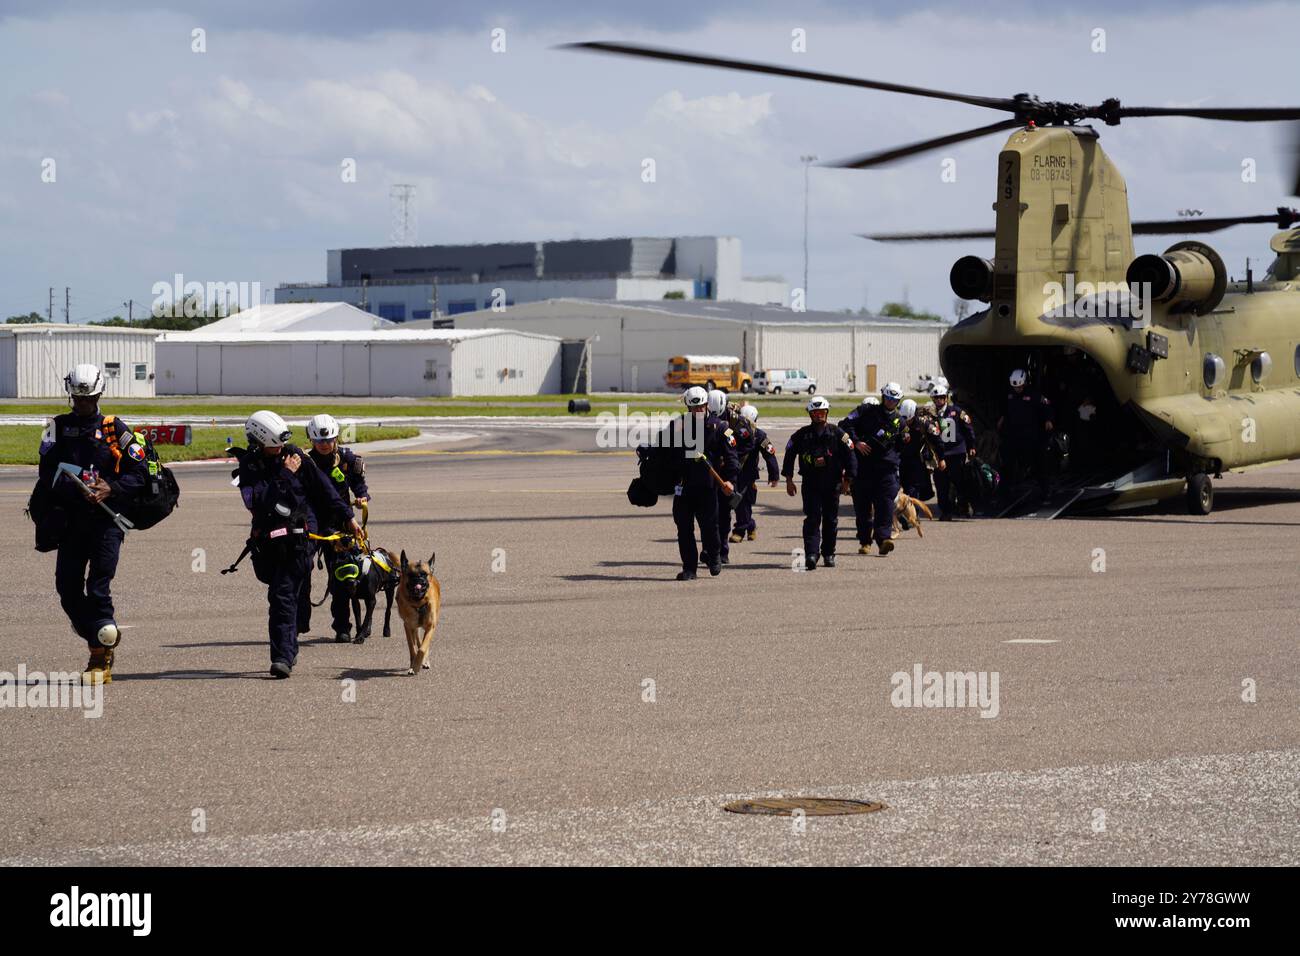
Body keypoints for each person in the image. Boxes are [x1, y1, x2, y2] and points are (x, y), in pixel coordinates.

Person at [35, 364, 148, 683]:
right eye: (78, 399)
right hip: (70, 523)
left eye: (90, 399)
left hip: (107, 525)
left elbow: (139, 474)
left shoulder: (116, 429)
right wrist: (76, 489)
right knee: (66, 589)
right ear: (70, 395)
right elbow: (46, 474)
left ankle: (100, 659)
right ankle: (101, 634)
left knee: (98, 588)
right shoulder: (54, 428)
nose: (83, 405)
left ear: (99, 395)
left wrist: (111, 488)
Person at [236, 411, 361, 679]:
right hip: (269, 540)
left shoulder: (295, 455)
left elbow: (324, 488)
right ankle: (290, 647)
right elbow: (258, 503)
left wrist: (349, 518)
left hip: (300, 538)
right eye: (274, 445)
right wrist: (284, 475)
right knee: (287, 595)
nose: (280, 449)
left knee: (282, 595)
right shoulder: (250, 466)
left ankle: (281, 657)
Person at [304, 414, 371, 643]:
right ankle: (300, 620)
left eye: (328, 440)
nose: (324, 444)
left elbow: (359, 482)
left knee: (343, 575)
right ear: (311, 440)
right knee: (301, 569)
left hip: (341, 525)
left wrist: (361, 496)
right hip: (310, 524)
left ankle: (342, 626)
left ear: (335, 439)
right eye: (319, 441)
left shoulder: (347, 459)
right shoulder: (305, 462)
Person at [663, 387, 738, 580]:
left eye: (701, 407)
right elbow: (662, 448)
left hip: (708, 487)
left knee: (709, 527)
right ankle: (689, 568)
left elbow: (732, 458)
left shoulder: (721, 428)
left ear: (706, 406)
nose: (697, 412)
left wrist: (729, 480)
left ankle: (714, 557)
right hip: (684, 488)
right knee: (684, 529)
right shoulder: (678, 425)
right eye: (693, 408)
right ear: (688, 407)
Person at [782, 396, 856, 570]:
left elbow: (851, 457)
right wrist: (789, 480)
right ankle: (812, 554)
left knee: (831, 520)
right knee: (812, 519)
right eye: (815, 413)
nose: (818, 416)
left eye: (821, 413)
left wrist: (848, 480)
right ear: (810, 415)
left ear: (827, 413)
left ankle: (829, 553)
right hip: (811, 484)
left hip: (833, 485)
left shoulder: (838, 434)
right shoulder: (801, 435)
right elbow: (789, 455)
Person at [839, 383, 909, 556]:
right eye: (888, 398)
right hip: (863, 468)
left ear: (898, 401)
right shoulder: (865, 411)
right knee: (862, 509)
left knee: (885, 507)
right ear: (882, 396)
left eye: (895, 400)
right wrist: (856, 442)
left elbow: (901, 446)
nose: (891, 402)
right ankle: (865, 541)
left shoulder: (900, 423)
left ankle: (884, 539)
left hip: (886, 471)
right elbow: (844, 424)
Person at [997, 369, 1055, 499]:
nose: (1017, 389)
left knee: (1039, 463)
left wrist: (1048, 420)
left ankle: (1046, 490)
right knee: (1008, 463)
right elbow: (1005, 409)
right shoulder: (1010, 395)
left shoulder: (1034, 395)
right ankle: (1004, 491)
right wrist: (1002, 418)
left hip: (1031, 435)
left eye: (1019, 387)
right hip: (1014, 435)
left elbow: (1046, 406)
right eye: (1015, 387)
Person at [729, 404, 780, 543]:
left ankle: (739, 531)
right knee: (736, 503)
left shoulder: (759, 435)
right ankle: (750, 525)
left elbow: (769, 455)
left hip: (748, 475)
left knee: (742, 502)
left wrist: (774, 475)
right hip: (732, 472)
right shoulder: (731, 432)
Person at [929, 384, 978, 520]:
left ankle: (964, 507)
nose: (939, 400)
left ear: (946, 398)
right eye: (936, 398)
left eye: (941, 397)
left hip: (957, 453)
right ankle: (946, 511)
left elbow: (968, 429)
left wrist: (971, 446)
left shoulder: (956, 412)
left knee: (959, 481)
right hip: (940, 455)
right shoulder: (930, 415)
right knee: (941, 484)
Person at [897, 398, 942, 505]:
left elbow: (938, 440)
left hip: (918, 461)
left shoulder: (924, 424)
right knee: (905, 487)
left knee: (914, 489)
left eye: (909, 419)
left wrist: (942, 458)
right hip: (902, 461)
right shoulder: (897, 423)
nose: (906, 422)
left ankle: (913, 514)